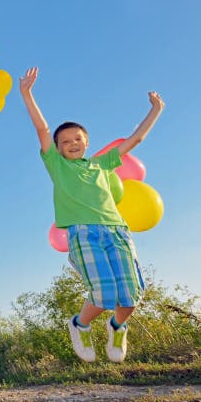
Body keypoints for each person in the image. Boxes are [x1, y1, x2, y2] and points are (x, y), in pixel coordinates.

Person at [19, 66, 165, 364]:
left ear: (86, 142)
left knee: (131, 294)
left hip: (117, 231)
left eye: (77, 139)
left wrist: (156, 109)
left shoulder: (102, 163)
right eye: (66, 142)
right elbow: (42, 130)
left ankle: (117, 326)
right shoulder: (57, 166)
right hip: (84, 232)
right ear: (57, 149)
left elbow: (134, 140)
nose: (72, 144)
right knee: (104, 292)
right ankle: (80, 324)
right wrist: (27, 93)